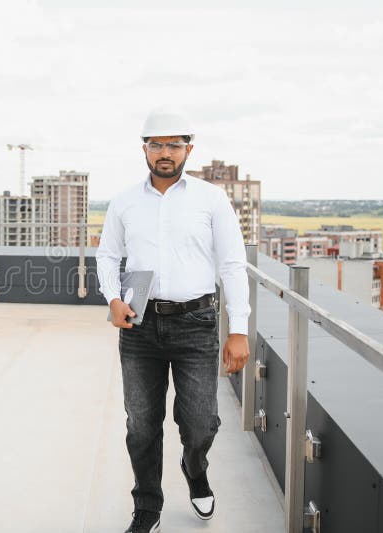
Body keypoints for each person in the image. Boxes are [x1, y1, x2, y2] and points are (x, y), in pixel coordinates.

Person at [96, 109, 251, 533]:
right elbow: (108, 255)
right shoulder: (125, 200)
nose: (165, 153)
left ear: (189, 149)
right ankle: (147, 504)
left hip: (197, 322)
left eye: (174, 145)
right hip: (139, 323)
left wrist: (238, 329)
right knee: (142, 424)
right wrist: (112, 298)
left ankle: (194, 467)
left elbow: (233, 264)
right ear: (144, 148)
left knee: (200, 421)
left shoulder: (210, 198)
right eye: (156, 144)